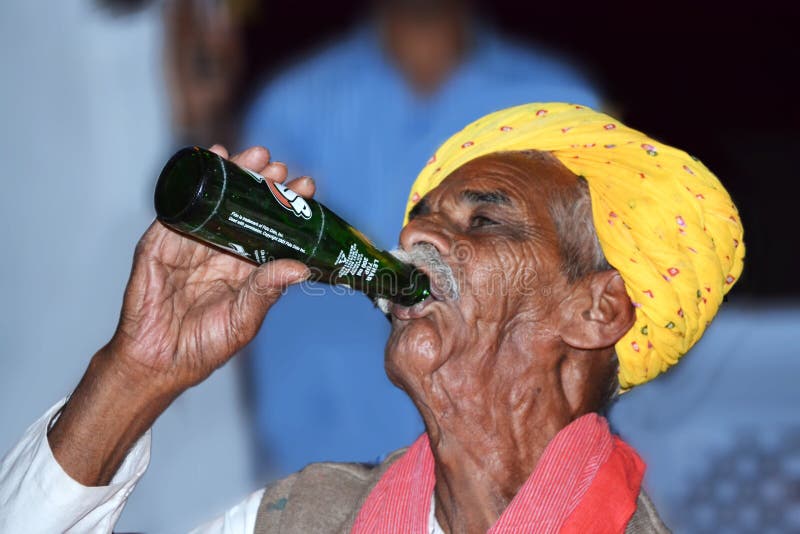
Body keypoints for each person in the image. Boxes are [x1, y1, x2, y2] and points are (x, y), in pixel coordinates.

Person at [0, 103, 743, 533]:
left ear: (597, 309)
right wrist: (136, 374)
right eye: (419, 219)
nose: (414, 238)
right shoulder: (302, 517)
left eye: (485, 221)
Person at [241, 0, 604, 477]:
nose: (419, 238)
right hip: (320, 467)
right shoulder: (293, 104)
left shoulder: (556, 100)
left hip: (511, 475)